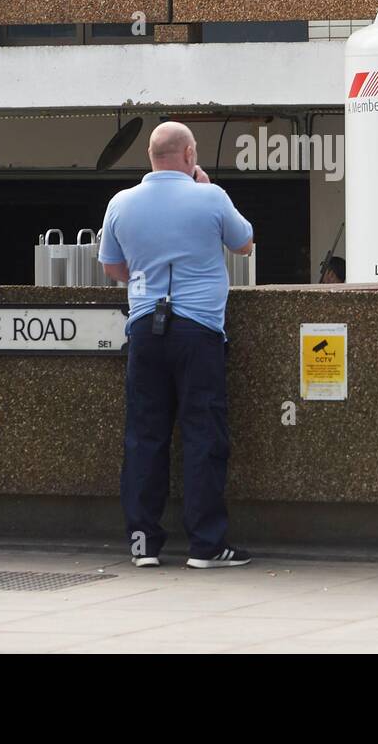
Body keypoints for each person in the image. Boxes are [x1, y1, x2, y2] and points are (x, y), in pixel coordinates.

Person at [99, 122, 255, 570]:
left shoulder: (120, 203)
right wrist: (207, 187)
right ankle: (206, 545)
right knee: (203, 433)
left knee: (144, 436)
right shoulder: (210, 196)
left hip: (146, 328)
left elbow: (113, 268)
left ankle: (143, 543)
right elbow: (244, 244)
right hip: (199, 330)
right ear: (189, 154)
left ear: (150, 155)